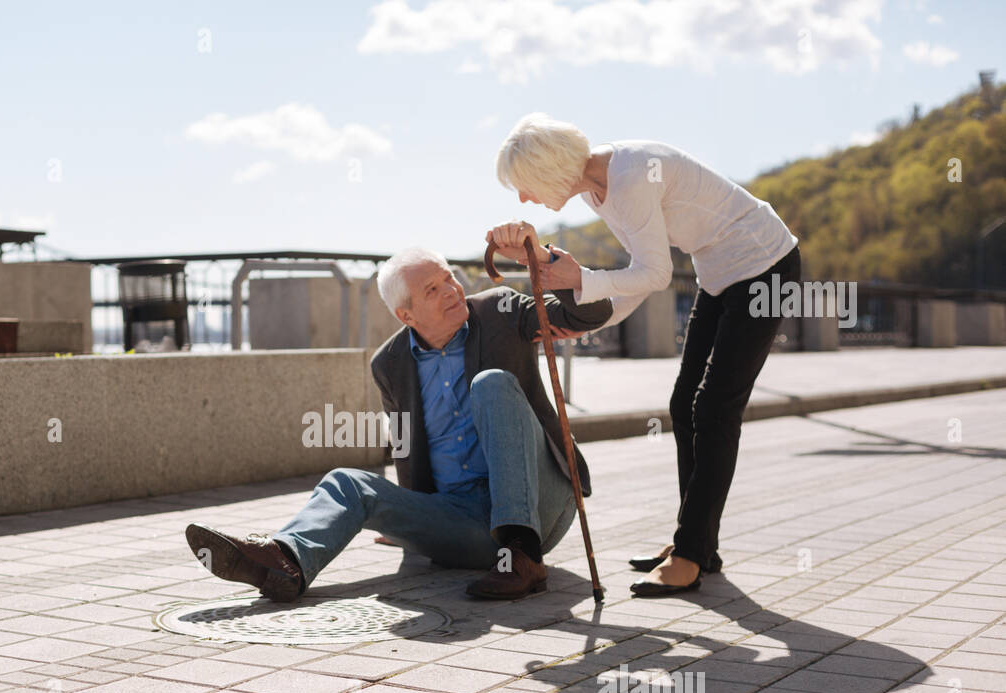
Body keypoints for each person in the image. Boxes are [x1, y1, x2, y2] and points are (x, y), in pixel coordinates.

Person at [186, 240, 611, 602]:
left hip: (541, 505)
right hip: (464, 522)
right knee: (347, 481)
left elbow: (588, 316)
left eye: (448, 277)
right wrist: (406, 519)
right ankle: (285, 562)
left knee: (491, 383)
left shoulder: (500, 310)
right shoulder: (389, 363)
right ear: (407, 316)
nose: (451, 290)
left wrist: (550, 264)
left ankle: (522, 555)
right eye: (432, 289)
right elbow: (407, 448)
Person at [493, 113, 802, 596]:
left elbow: (655, 274)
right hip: (723, 275)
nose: (524, 199)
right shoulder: (602, 189)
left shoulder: (630, 175)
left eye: (526, 185)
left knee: (714, 408)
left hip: (766, 266)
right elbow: (637, 280)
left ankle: (690, 553)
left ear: (549, 169)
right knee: (685, 405)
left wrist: (580, 280)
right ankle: (699, 543)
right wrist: (578, 320)